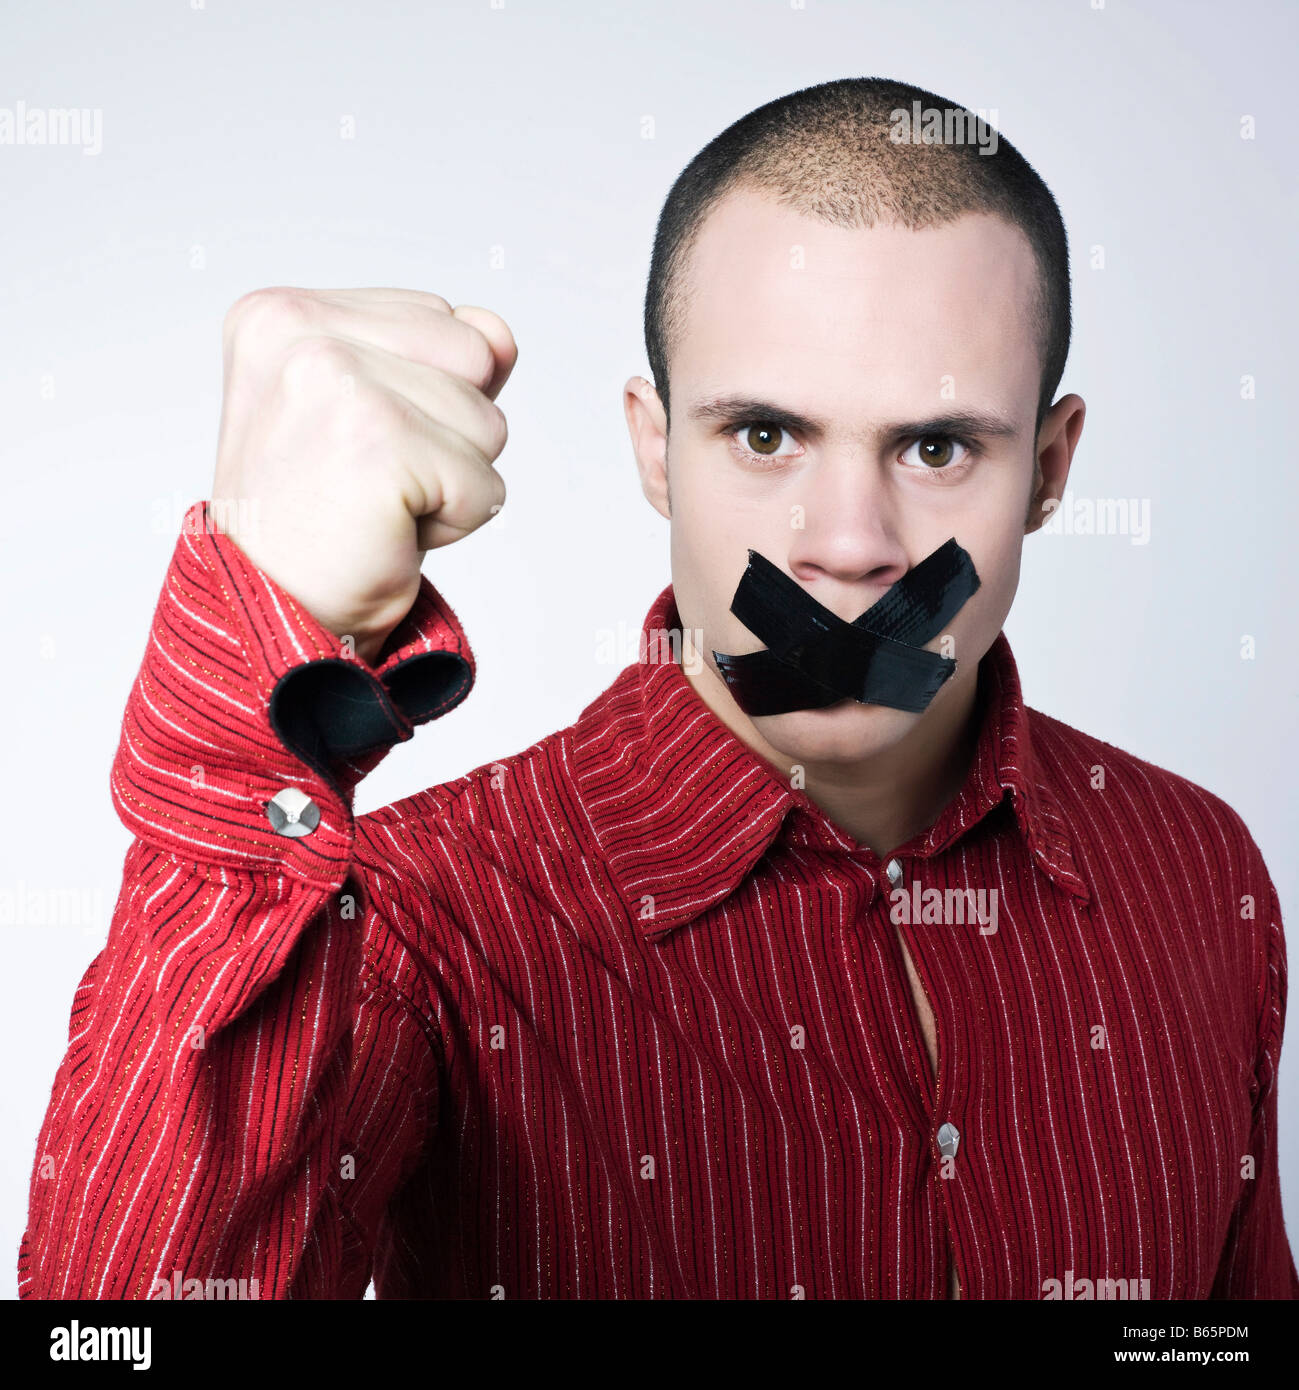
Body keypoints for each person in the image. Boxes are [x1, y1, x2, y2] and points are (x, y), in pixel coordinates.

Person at [18, 75, 1297, 1300]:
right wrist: (261, 650)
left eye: (938, 445)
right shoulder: (420, 924)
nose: (849, 545)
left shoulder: (1200, 874)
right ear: (653, 447)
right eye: (764, 435)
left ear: (1054, 468)